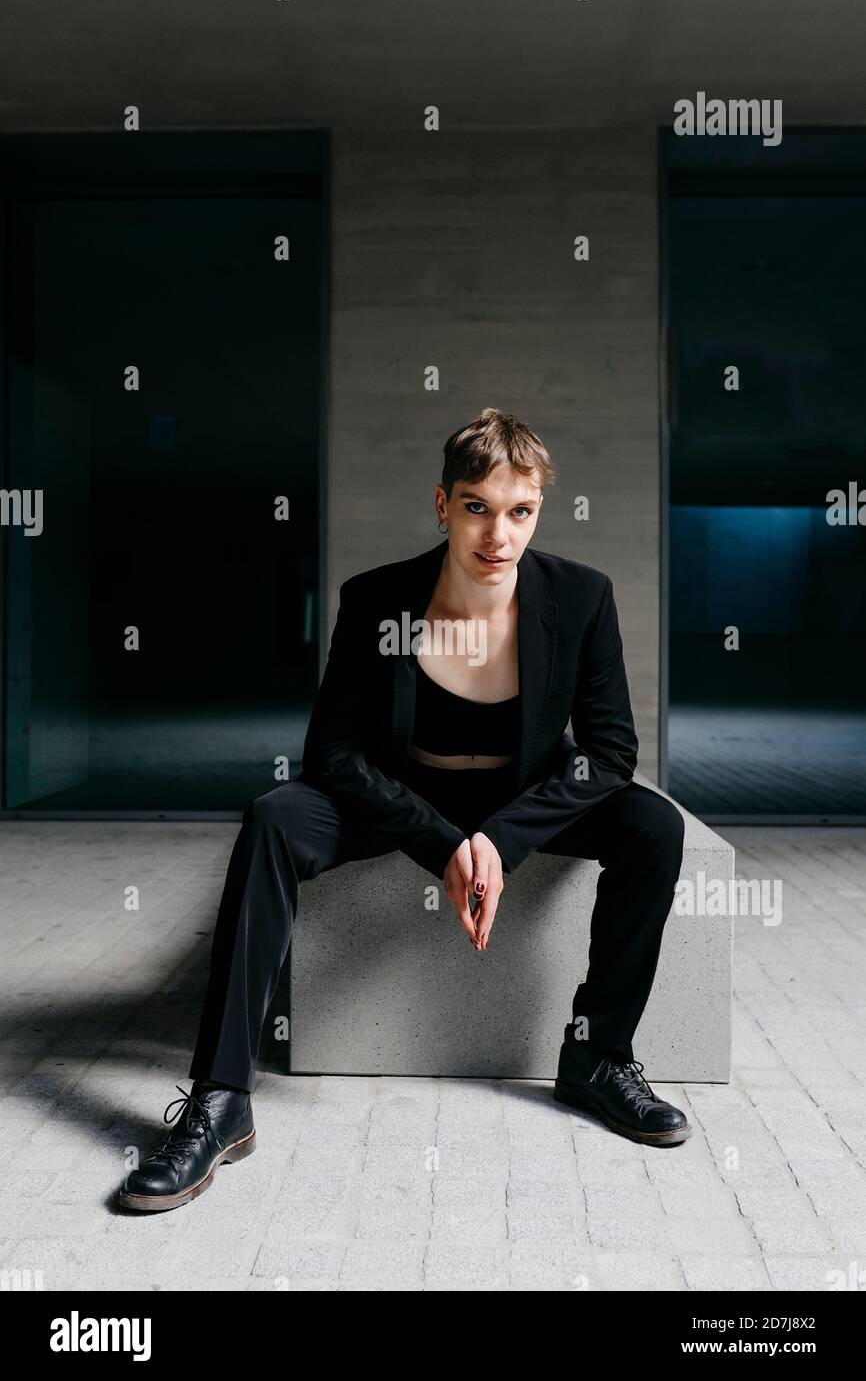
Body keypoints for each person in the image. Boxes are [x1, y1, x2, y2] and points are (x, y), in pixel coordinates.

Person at [118, 407, 690, 1213]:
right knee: (275, 817)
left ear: (538, 511)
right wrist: (443, 844)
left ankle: (598, 1057)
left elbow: (610, 754)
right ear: (442, 505)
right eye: (477, 508)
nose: (500, 535)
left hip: (523, 798)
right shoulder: (380, 599)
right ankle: (221, 1101)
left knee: (653, 826)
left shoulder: (582, 599)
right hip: (396, 793)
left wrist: (498, 838)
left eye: (520, 511)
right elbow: (335, 756)